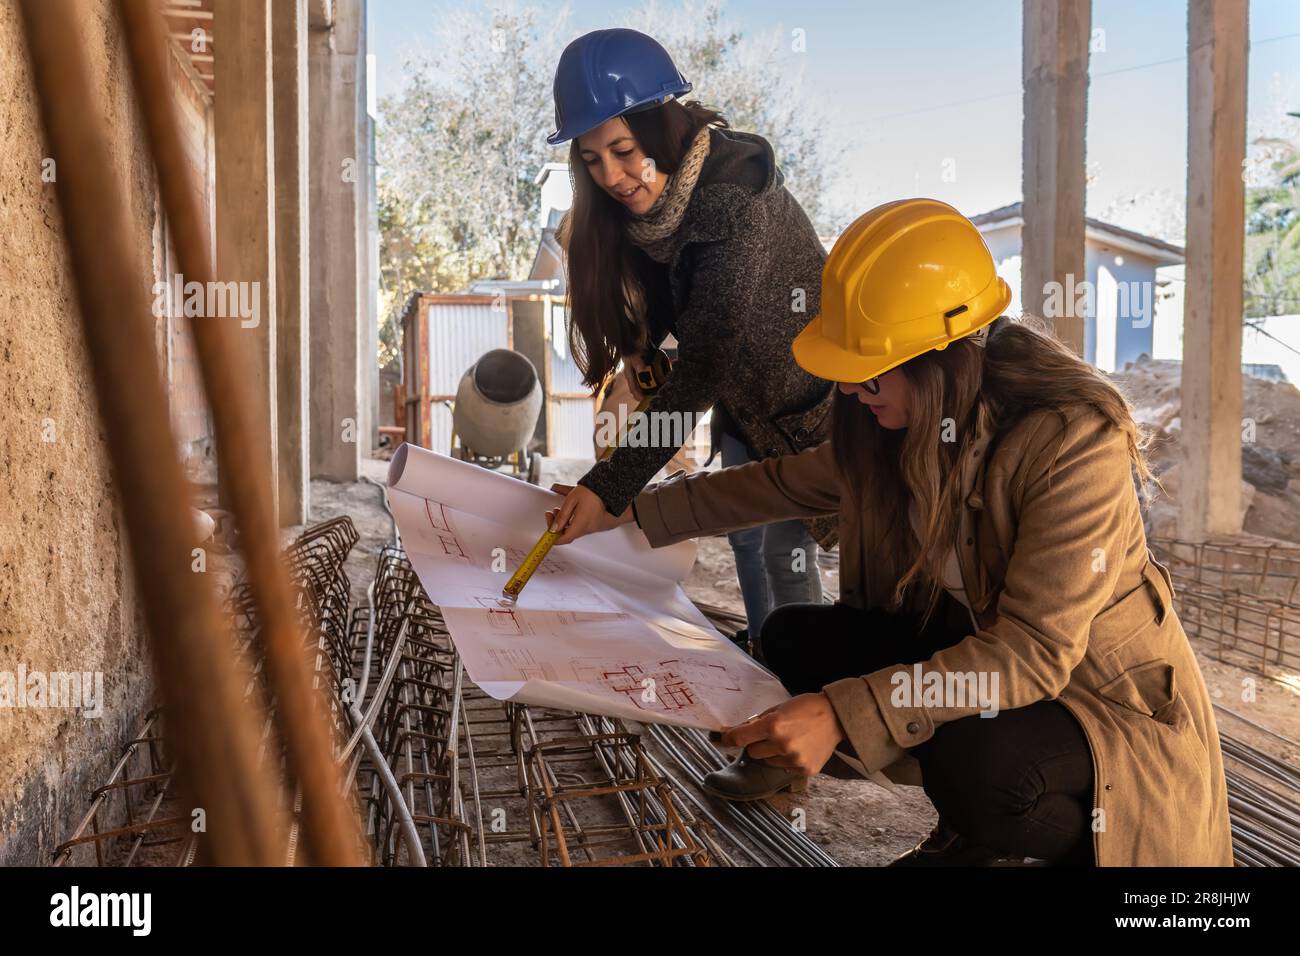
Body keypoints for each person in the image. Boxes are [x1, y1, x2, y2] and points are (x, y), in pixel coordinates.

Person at [547, 198, 1234, 867]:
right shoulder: (901, 421)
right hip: (989, 661)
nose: (851, 393)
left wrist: (845, 715)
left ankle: (1039, 840)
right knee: (793, 640)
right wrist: (625, 504)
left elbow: (1032, 655)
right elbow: (779, 483)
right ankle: (965, 821)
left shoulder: (1072, 442)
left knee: (981, 768)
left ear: (944, 359)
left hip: (1094, 704)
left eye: (868, 376)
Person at [546, 28, 834, 639]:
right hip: (743, 408)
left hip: (810, 407)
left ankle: (805, 687)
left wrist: (611, 487)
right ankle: (768, 660)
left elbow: (706, 361)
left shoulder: (734, 196)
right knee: (748, 545)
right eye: (593, 159)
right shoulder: (649, 215)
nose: (613, 176)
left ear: (658, 130)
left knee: (789, 554)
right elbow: (673, 349)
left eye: (624, 150)